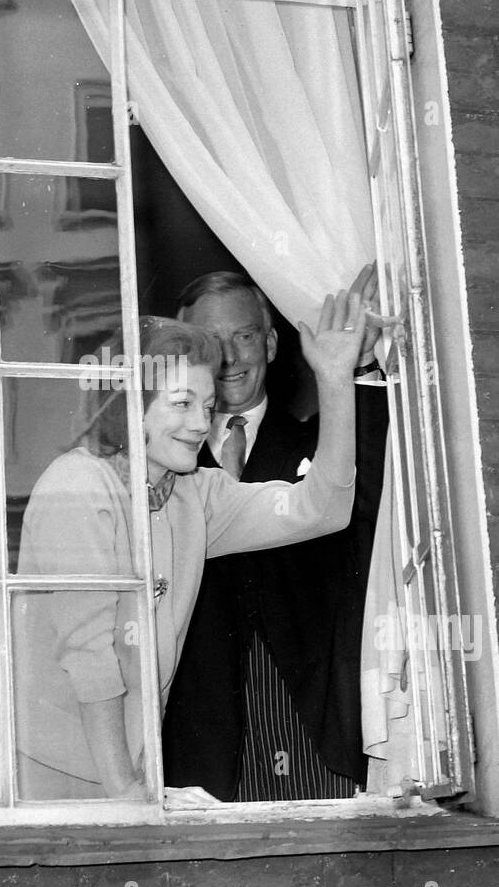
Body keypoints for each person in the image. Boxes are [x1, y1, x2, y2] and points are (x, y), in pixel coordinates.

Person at [14, 289, 377, 802]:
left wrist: (336, 380)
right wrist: (125, 794)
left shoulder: (191, 493)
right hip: (56, 772)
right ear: (129, 400)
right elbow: (89, 660)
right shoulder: (78, 485)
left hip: (133, 771)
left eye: (207, 406)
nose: (201, 423)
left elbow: (321, 509)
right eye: (181, 404)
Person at [160, 266, 390, 801]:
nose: (231, 358)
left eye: (243, 336)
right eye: (211, 344)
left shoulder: (321, 443)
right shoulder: (164, 462)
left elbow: (370, 499)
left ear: (269, 342)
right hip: (197, 738)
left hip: (306, 721)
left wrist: (353, 374)